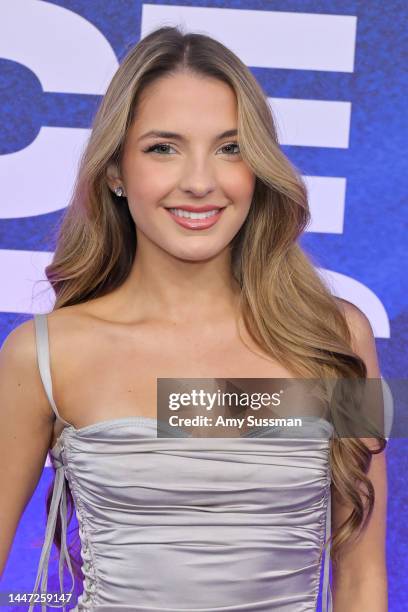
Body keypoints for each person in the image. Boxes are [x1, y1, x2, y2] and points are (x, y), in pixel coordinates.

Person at [0, 26, 387, 612]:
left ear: (258, 169)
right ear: (115, 173)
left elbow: (362, 579)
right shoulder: (43, 354)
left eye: (230, 148)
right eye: (163, 148)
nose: (201, 182)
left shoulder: (337, 337)